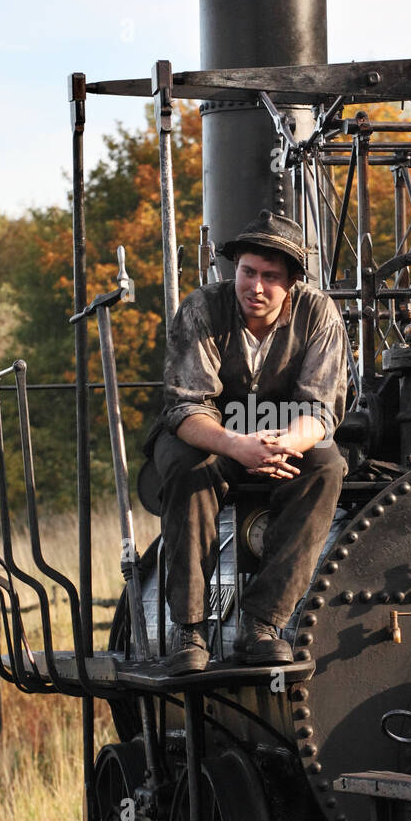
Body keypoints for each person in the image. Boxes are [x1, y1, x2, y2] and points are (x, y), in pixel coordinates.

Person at [143, 210, 348, 674]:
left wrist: (283, 446)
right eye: (248, 272)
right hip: (210, 433)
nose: (256, 286)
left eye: (270, 277)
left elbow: (320, 409)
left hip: (283, 433)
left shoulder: (320, 314)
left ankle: (262, 623)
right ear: (234, 269)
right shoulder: (200, 309)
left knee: (328, 467)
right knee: (185, 466)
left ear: (292, 282)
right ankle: (190, 629)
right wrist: (237, 446)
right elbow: (185, 406)